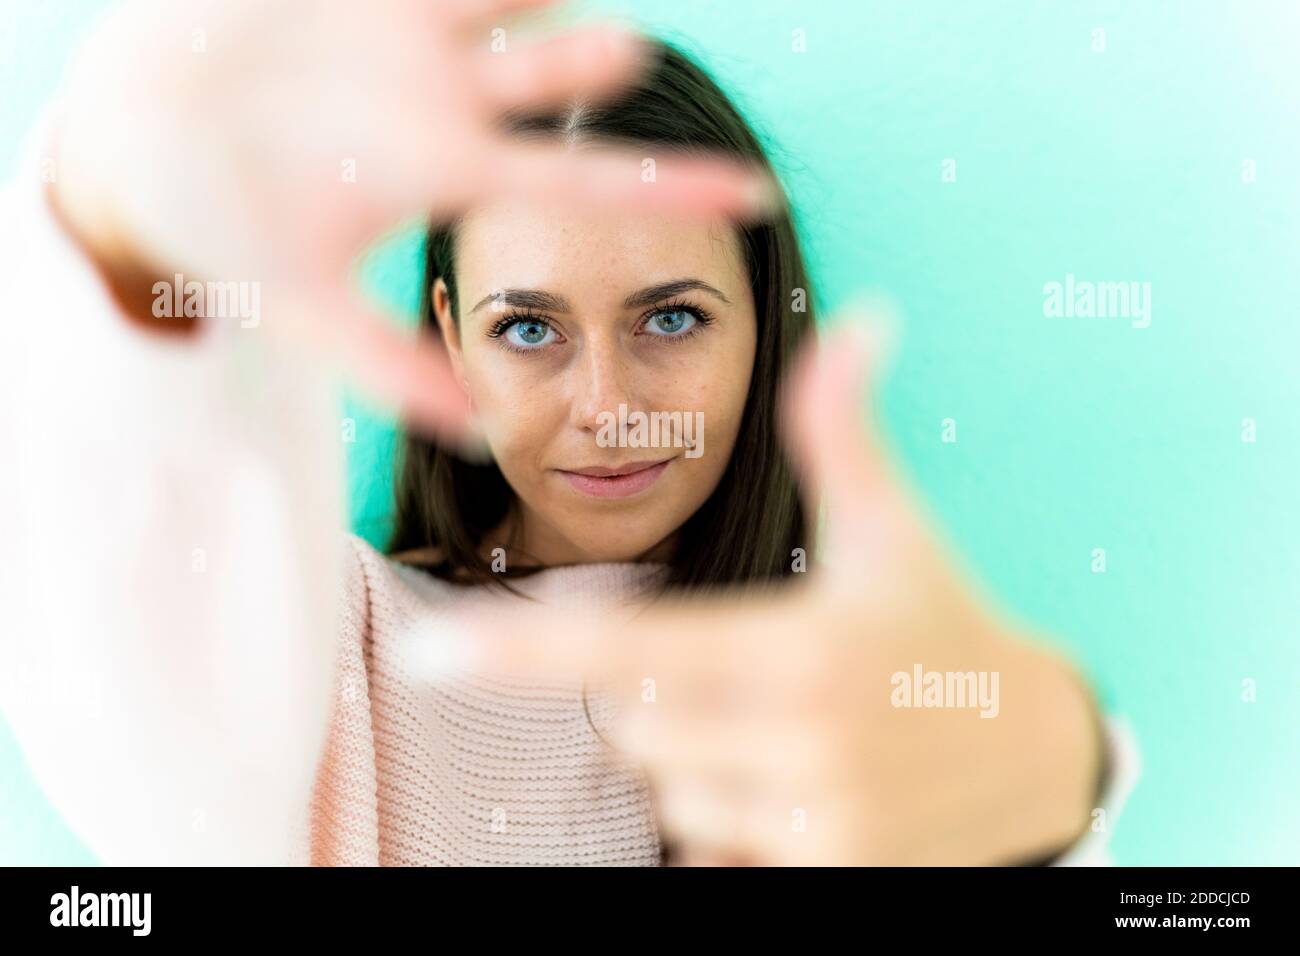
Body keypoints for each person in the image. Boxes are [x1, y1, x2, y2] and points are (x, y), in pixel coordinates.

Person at [0, 0, 1136, 866]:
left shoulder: (839, 684)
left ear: (766, 319)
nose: (608, 405)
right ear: (447, 330)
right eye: (529, 326)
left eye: (673, 317)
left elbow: (1013, 787)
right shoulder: (318, 653)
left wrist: (1057, 763)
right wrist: (126, 225)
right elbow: (108, 575)